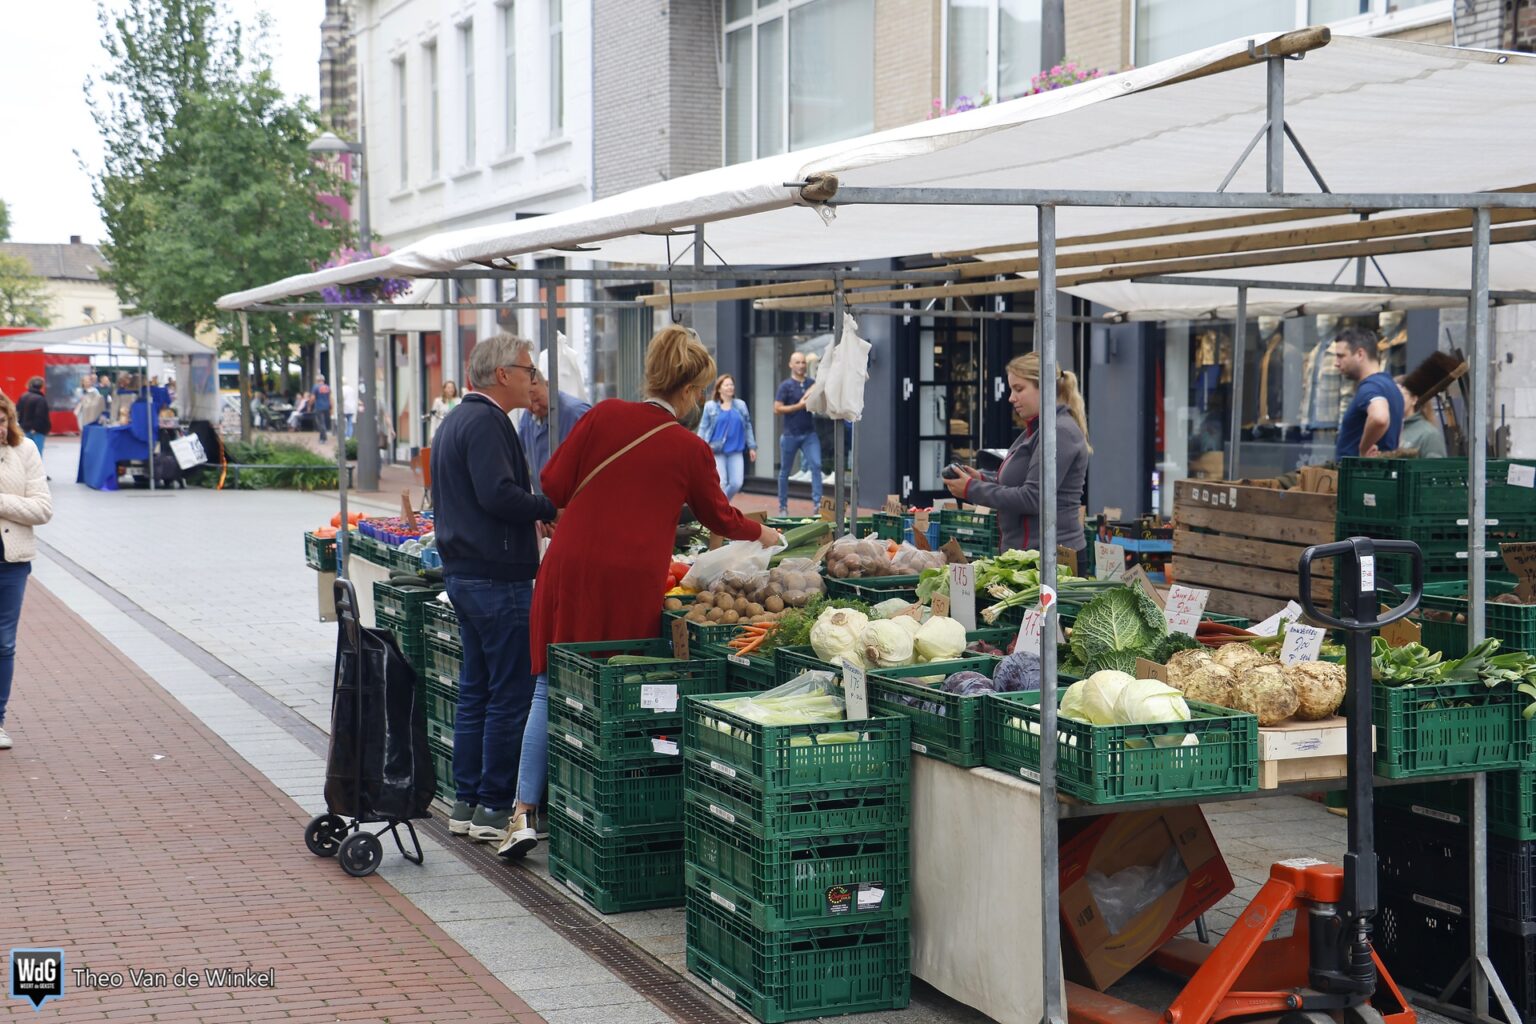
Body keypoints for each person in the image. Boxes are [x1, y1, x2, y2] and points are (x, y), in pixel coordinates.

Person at [511, 326, 783, 859]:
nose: (699, 401)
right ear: (688, 391)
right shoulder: (689, 447)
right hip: (628, 580)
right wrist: (763, 533)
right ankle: (601, 810)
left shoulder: (603, 415)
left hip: (569, 566)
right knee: (617, 686)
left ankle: (522, 813)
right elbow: (718, 516)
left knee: (550, 685)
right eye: (699, 391)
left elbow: (554, 483)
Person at [430, 333, 555, 847]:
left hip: (466, 573)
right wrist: (546, 507)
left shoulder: (457, 419)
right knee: (509, 694)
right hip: (495, 577)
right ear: (503, 374)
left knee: (477, 691)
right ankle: (495, 806)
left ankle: (467, 803)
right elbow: (498, 494)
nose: (533, 380)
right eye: (528, 371)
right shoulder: (487, 421)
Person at [944, 352, 1091, 556]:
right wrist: (981, 479)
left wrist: (971, 489)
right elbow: (1020, 486)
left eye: (1019, 389)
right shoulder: (1035, 431)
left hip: (1051, 558)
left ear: (1045, 387)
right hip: (1028, 555)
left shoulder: (1059, 432)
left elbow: (1033, 498)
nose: (1011, 398)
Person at [0, 392, 53, 750]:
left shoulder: (26, 451)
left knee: (3, 645)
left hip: (11, 565)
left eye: (2, 421)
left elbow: (42, 509)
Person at [1331, 327, 1402, 460]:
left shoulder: (1370, 387)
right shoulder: (1391, 386)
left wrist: (1363, 449)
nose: (1336, 363)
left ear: (1360, 354)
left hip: (1361, 471)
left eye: (1341, 356)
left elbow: (1379, 417)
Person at [518, 373, 591, 483]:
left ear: (547, 385)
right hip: (542, 492)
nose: (535, 408)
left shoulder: (577, 413)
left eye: (537, 400)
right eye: (528, 404)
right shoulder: (527, 418)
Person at [696, 373, 757, 500]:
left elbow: (747, 426)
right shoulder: (710, 406)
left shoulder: (740, 405)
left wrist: (752, 447)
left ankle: (721, 505)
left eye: (731, 385)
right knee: (721, 483)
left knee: (736, 483)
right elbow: (703, 427)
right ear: (719, 389)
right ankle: (722, 509)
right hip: (717, 450)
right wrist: (699, 448)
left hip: (736, 450)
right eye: (726, 385)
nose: (730, 387)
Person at [773, 351, 820, 516]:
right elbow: (777, 408)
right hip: (790, 435)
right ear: (790, 365)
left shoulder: (811, 383)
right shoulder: (785, 386)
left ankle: (818, 505)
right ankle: (783, 507)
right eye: (797, 362)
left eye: (803, 362)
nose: (801, 365)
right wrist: (798, 406)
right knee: (785, 472)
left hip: (809, 434)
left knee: (816, 466)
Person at [1396, 376, 1447, 458]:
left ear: (1414, 399)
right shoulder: (1384, 430)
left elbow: (1435, 465)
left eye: (1399, 395)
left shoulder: (1429, 434)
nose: (1394, 400)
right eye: (1391, 395)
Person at [17, 377, 49, 457]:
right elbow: (41, 415)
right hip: (37, 431)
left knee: (25, 454)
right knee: (37, 455)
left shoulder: (23, 396)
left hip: (24, 429)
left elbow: (18, 413)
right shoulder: (41, 399)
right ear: (41, 386)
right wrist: (36, 428)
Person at [311, 374, 333, 443]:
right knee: (323, 423)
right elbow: (330, 398)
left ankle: (324, 439)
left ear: (317, 380)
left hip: (319, 407)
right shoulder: (327, 387)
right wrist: (331, 408)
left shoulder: (315, 387)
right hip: (327, 407)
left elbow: (313, 398)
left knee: (320, 423)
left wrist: (309, 404)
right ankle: (321, 438)